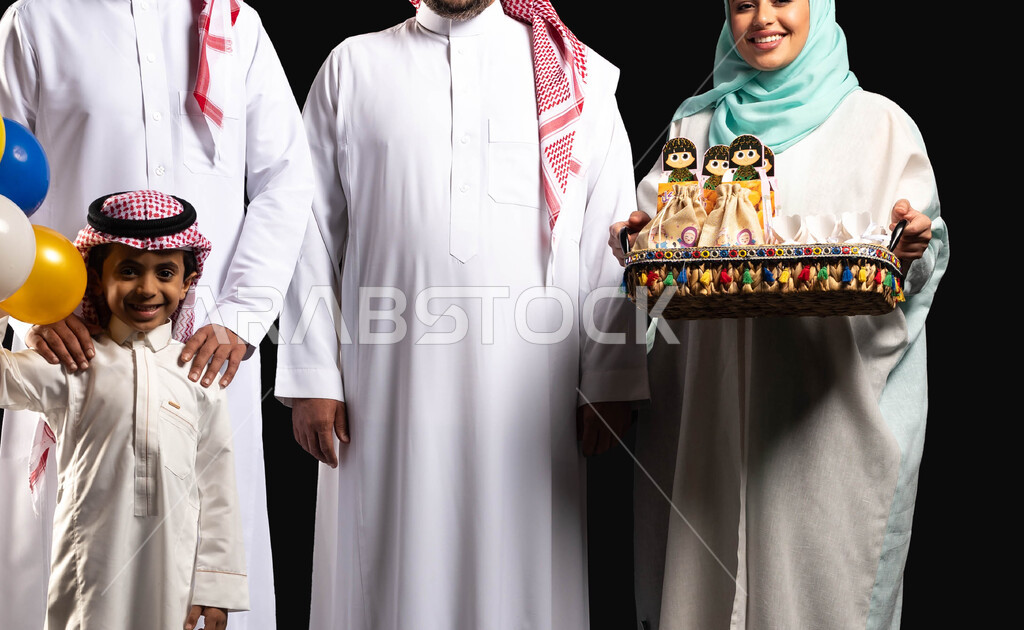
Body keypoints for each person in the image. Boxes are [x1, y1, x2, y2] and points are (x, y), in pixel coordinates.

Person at [273, 1, 648, 628]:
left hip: (533, 386)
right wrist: (312, 377)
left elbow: (605, 237)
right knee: (386, 567)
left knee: (523, 562)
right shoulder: (353, 66)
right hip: (384, 386)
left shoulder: (572, 73)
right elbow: (307, 228)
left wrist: (607, 379)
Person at [609, 1, 949, 628]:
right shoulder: (693, 130)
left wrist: (912, 251)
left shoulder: (879, 126)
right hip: (703, 426)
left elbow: (914, 275)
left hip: (823, 425)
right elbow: (650, 287)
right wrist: (635, 251)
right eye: (743, 4)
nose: (762, 17)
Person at [0, 2, 313, 629]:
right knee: (72, 545)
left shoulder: (236, 23)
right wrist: (31, 307)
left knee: (211, 530)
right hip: (69, 341)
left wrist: (241, 315)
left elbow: (286, 178)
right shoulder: (37, 20)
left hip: (206, 348)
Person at [0, 190, 248, 630]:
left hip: (172, 569)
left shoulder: (195, 375)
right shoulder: (74, 362)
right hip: (90, 568)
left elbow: (217, 487)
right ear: (97, 279)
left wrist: (214, 587)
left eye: (166, 273)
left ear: (187, 282)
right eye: (129, 271)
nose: (147, 289)